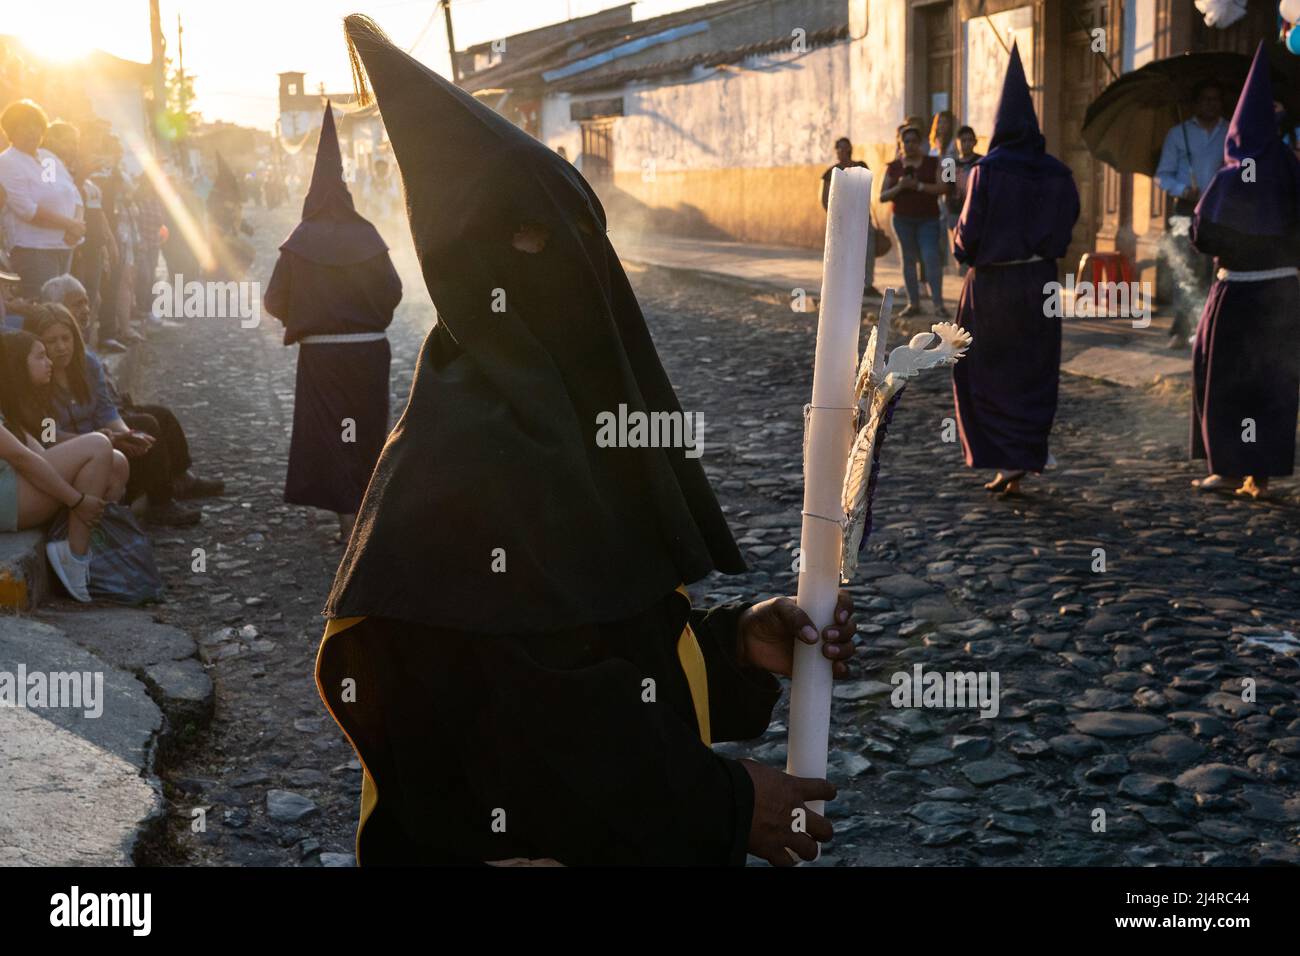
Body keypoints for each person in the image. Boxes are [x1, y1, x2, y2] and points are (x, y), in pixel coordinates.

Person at [318, 15, 859, 867]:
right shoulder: (460, 466)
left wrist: (731, 647)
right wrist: (721, 802)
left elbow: (601, 643)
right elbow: (535, 731)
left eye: (583, 235)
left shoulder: (564, 424)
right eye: (536, 240)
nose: (577, 264)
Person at [264, 104, 401, 542]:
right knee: (363, 429)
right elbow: (392, 290)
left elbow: (273, 300)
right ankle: (366, 514)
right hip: (369, 351)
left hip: (322, 353)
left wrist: (307, 319)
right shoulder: (369, 236)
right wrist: (369, 318)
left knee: (331, 433)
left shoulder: (299, 241)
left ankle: (348, 519)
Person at [950, 44, 1080, 496]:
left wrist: (961, 247)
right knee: (1033, 370)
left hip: (993, 287)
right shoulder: (1058, 174)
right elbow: (1066, 229)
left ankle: (1006, 458)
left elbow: (967, 236)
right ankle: (1023, 452)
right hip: (1040, 283)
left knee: (985, 370)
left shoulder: (987, 172)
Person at [1189, 44, 1300, 500]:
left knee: (1227, 382)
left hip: (1236, 295)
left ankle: (1231, 469)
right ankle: (1263, 473)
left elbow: (1202, 235)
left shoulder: (1232, 176)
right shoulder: (1292, 167)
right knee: (1273, 383)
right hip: (1285, 298)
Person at [32, 295, 219, 525]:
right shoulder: (36, 379)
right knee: (144, 426)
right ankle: (159, 502)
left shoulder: (87, 364)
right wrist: (102, 439)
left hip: (99, 434)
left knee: (147, 428)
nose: (61, 347)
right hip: (70, 451)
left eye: (65, 338)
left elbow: (106, 409)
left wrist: (126, 433)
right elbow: (48, 437)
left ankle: (173, 485)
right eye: (51, 341)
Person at [0, 330, 117, 602]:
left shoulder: (18, 399)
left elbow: (37, 451)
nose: (51, 358)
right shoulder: (24, 400)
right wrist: (77, 500)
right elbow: (25, 458)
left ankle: (95, 553)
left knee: (114, 461)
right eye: (41, 355)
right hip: (8, 498)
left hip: (15, 486)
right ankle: (74, 556)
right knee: (98, 446)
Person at [1156, 79, 1227, 350]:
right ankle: (1181, 328)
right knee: (1185, 269)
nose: (1211, 104)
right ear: (1196, 104)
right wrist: (1183, 189)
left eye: (1215, 99)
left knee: (1215, 268)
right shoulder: (1178, 134)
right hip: (1186, 209)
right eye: (1205, 99)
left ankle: (1209, 327)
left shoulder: (1231, 131)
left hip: (1218, 208)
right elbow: (1162, 175)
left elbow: (1243, 167)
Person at [0, 100, 85, 299]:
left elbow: (74, 195)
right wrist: (69, 224)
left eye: (36, 126)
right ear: (10, 131)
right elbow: (26, 209)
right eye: (24, 127)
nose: (32, 132)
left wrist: (76, 226)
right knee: (44, 311)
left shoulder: (47, 158)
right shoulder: (7, 162)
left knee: (63, 309)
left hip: (65, 245)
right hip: (34, 249)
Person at [881, 125, 950, 317]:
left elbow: (943, 188)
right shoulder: (893, 167)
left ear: (921, 144)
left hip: (929, 219)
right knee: (908, 260)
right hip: (902, 220)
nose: (910, 145)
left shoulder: (933, 162)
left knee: (931, 258)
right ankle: (913, 304)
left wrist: (919, 186)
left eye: (914, 141)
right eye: (906, 141)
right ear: (901, 144)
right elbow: (882, 196)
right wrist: (901, 186)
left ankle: (938, 304)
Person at [821, 136, 881, 298]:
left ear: (849, 148)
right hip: (842, 219)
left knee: (867, 250)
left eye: (844, 147)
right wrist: (836, 218)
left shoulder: (860, 166)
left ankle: (867, 283)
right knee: (844, 251)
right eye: (838, 148)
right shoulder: (832, 172)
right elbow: (825, 198)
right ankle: (845, 283)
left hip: (861, 216)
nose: (842, 150)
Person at [947, 125, 982, 276]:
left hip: (976, 212)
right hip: (955, 212)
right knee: (960, 249)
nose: (966, 143)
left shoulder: (982, 161)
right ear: (957, 142)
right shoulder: (950, 164)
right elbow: (946, 189)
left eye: (970, 140)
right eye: (963, 140)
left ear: (975, 142)